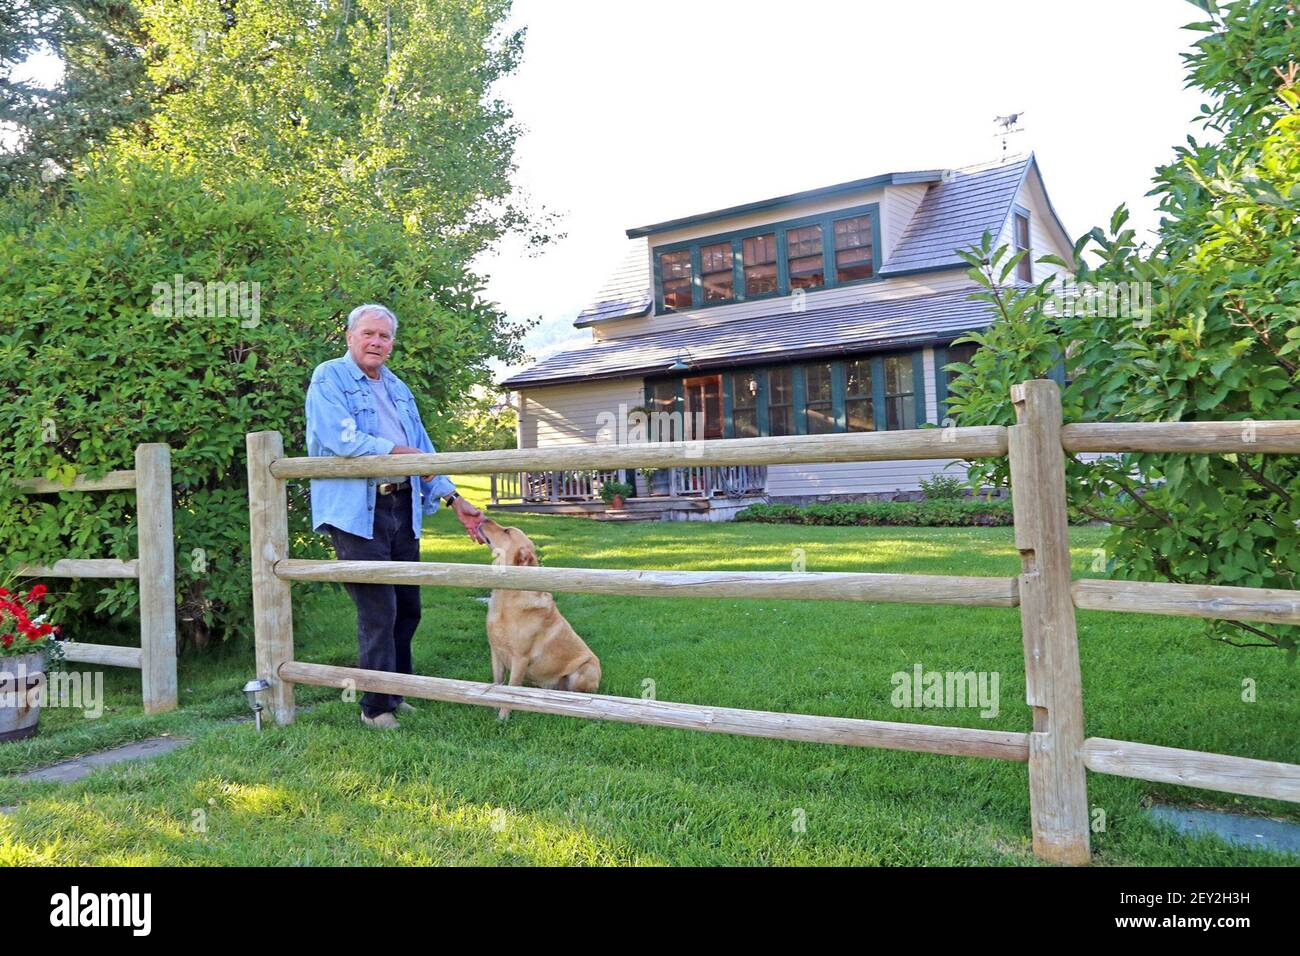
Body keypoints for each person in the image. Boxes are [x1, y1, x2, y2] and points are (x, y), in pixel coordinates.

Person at [306, 303, 485, 729]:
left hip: (402, 505)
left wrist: (454, 498)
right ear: (350, 337)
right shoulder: (328, 377)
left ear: (392, 343)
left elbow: (422, 446)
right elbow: (340, 438)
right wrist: (397, 452)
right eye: (368, 334)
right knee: (377, 611)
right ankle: (375, 708)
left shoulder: (398, 388)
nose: (376, 342)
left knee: (408, 607)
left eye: (384, 337)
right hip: (356, 511)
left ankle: (396, 691)